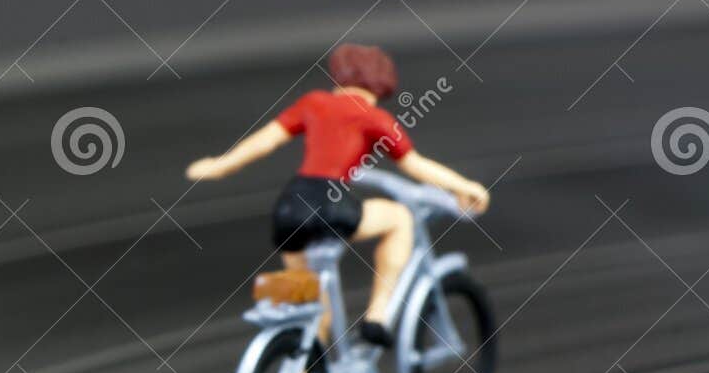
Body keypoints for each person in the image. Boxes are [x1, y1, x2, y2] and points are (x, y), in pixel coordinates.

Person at [185, 44, 489, 346]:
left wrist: (219, 166)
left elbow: (265, 141)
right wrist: (464, 186)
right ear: (381, 84)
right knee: (400, 218)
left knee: (312, 303)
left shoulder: (313, 102)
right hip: (329, 203)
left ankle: (302, 364)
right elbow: (415, 165)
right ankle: (376, 317)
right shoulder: (375, 118)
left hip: (290, 206)